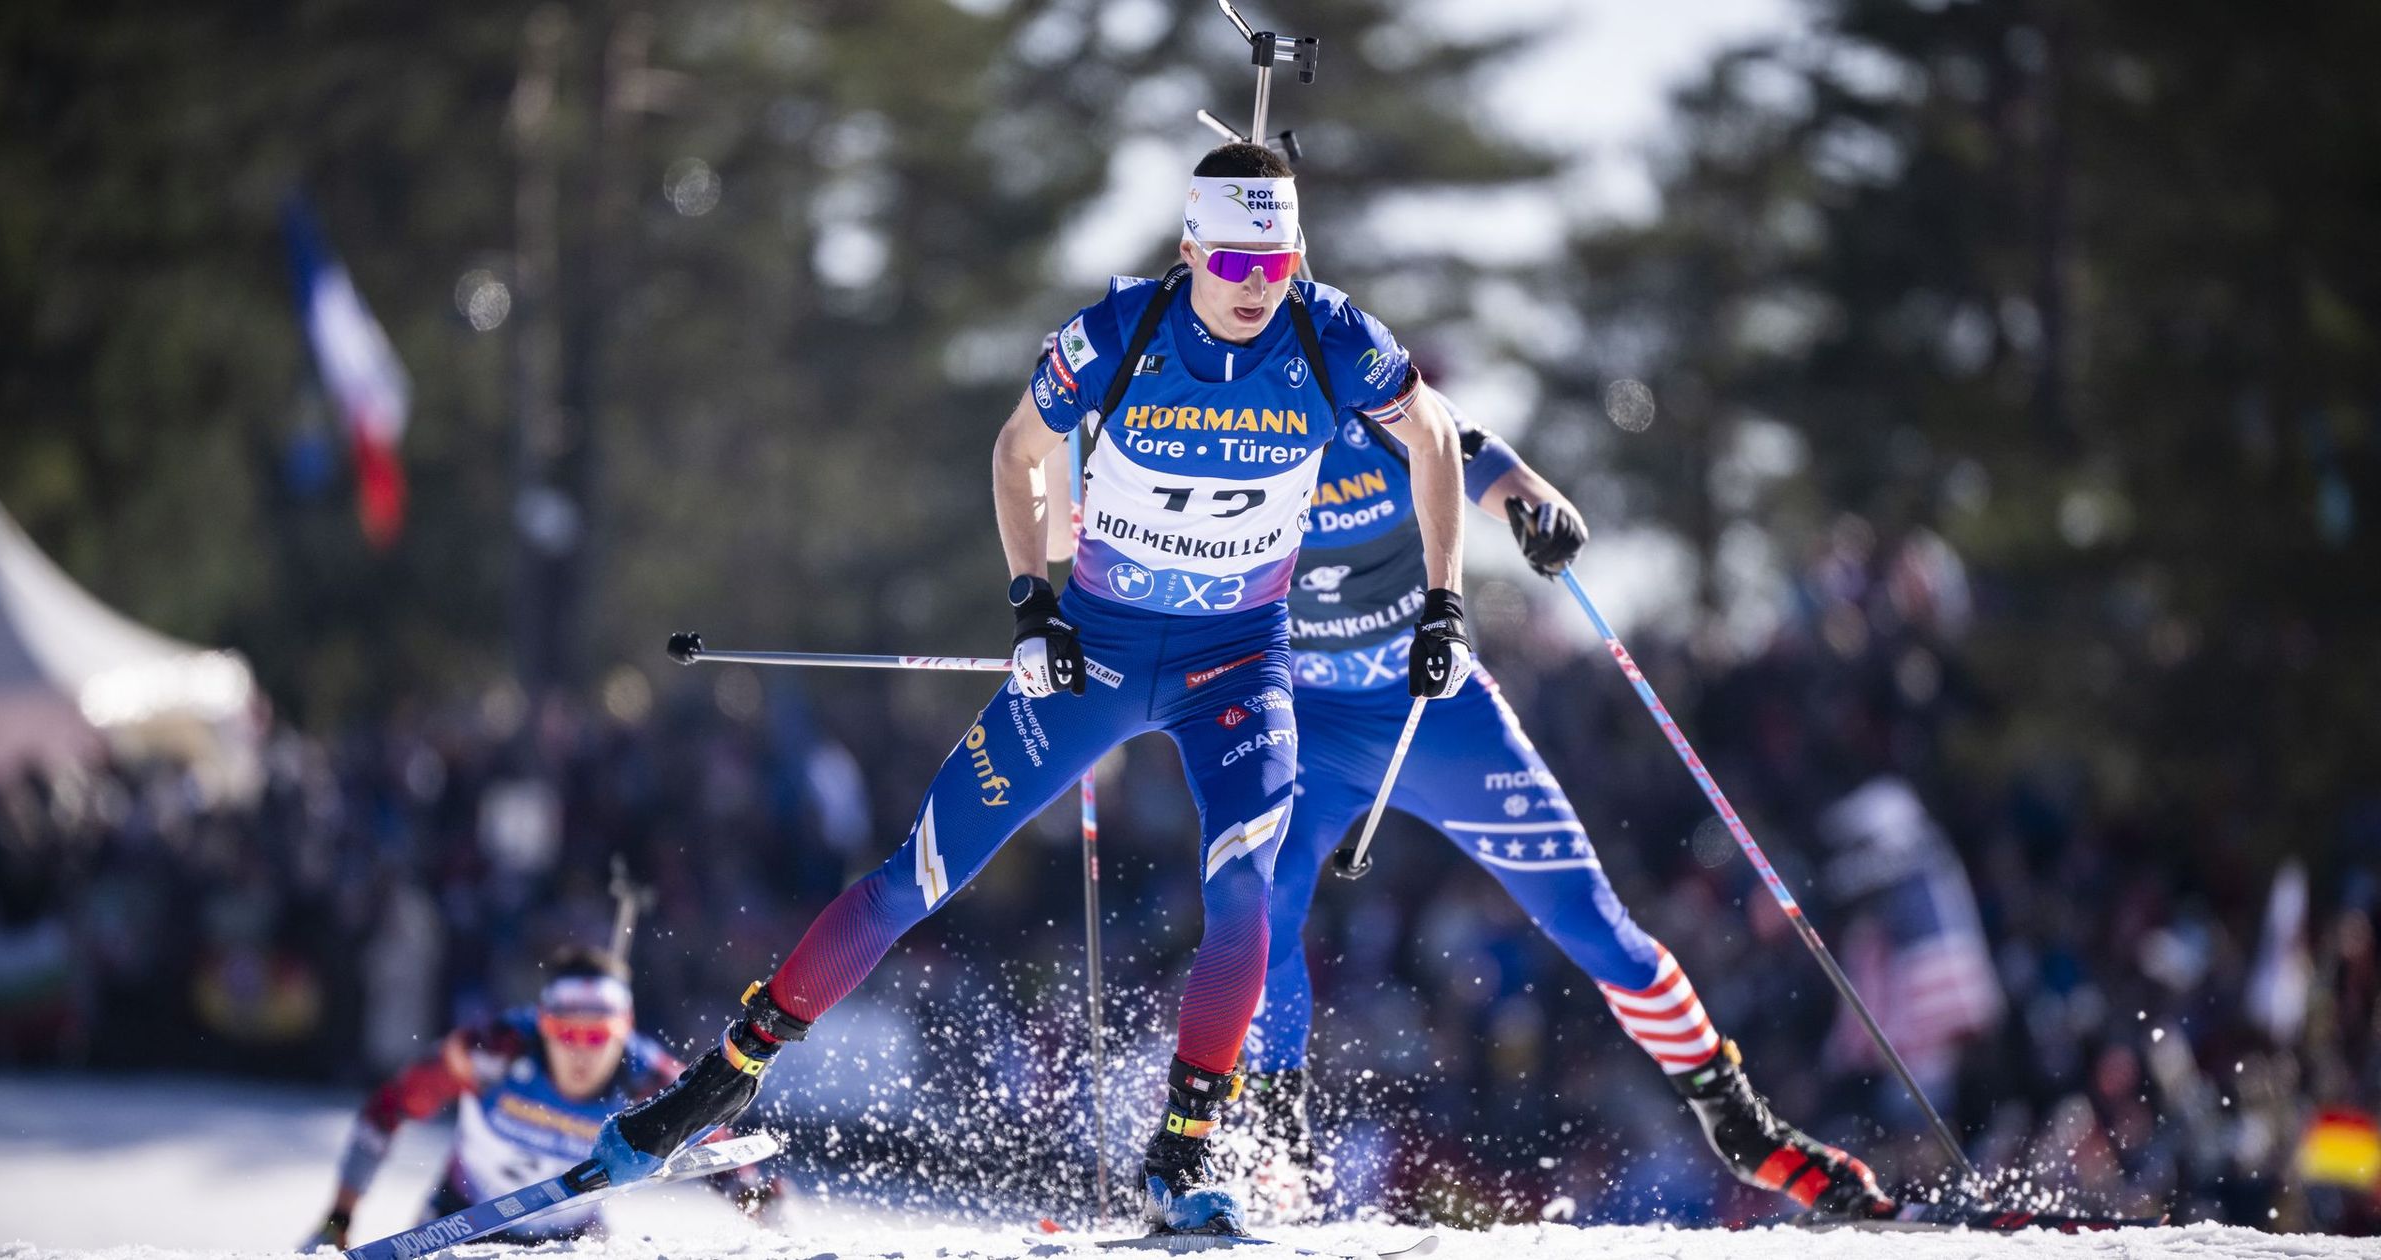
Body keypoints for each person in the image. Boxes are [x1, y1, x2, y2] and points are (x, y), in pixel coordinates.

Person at [581, 142, 1476, 1236]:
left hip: (1236, 663)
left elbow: (1435, 436)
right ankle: (721, 1080)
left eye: (1276, 263)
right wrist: (1031, 604)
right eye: (1234, 262)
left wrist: (1444, 601)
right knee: (917, 875)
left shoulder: (1333, 337)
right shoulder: (1121, 331)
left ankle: (1183, 1149)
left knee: (1249, 889)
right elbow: (1017, 454)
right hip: (1097, 656)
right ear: (1191, 247)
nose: (1255, 287)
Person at [1221, 392, 1893, 1222]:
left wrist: (1538, 504)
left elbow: (1476, 454)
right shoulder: (1214, 425)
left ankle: (1742, 1126)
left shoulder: (1367, 383)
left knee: (1589, 920)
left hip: (1442, 721)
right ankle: (1273, 1138)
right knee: (1258, 901)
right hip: (1310, 723)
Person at [302, 948, 778, 1249]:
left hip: (570, 1236)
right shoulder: (494, 1050)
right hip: (462, 1216)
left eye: (597, 1037)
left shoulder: (646, 1077)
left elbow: (710, 1133)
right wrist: (339, 1217)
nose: (580, 1052)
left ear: (623, 1033)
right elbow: (387, 1110)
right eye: (566, 1032)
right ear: (542, 1024)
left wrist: (753, 1197)